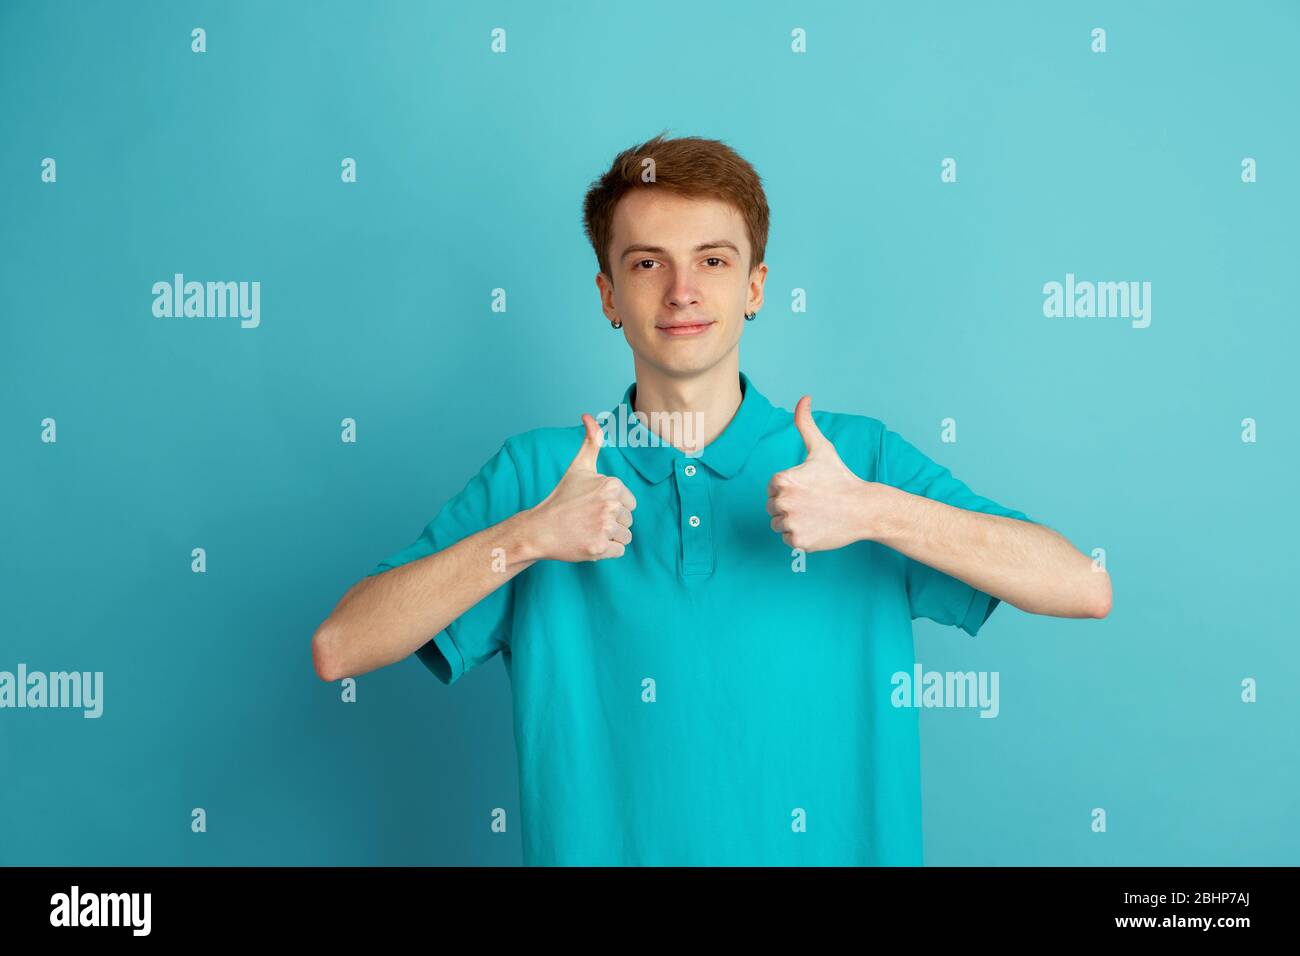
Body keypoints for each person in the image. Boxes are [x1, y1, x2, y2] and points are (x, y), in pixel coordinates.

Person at [311, 131, 1112, 866]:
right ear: (607, 294)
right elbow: (341, 645)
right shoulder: (543, 474)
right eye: (648, 262)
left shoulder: (851, 461)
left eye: (715, 261)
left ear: (757, 286)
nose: (682, 290)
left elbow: (1081, 585)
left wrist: (875, 511)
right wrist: (525, 539)